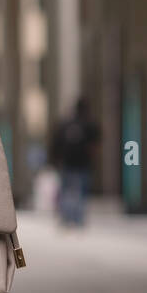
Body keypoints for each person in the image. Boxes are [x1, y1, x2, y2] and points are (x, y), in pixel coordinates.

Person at [51, 97, 100, 227]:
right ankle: (78, 218)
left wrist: (55, 159)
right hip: (83, 164)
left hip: (67, 163)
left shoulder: (65, 124)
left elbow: (56, 144)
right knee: (82, 193)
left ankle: (66, 218)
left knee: (67, 191)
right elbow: (94, 145)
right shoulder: (89, 124)